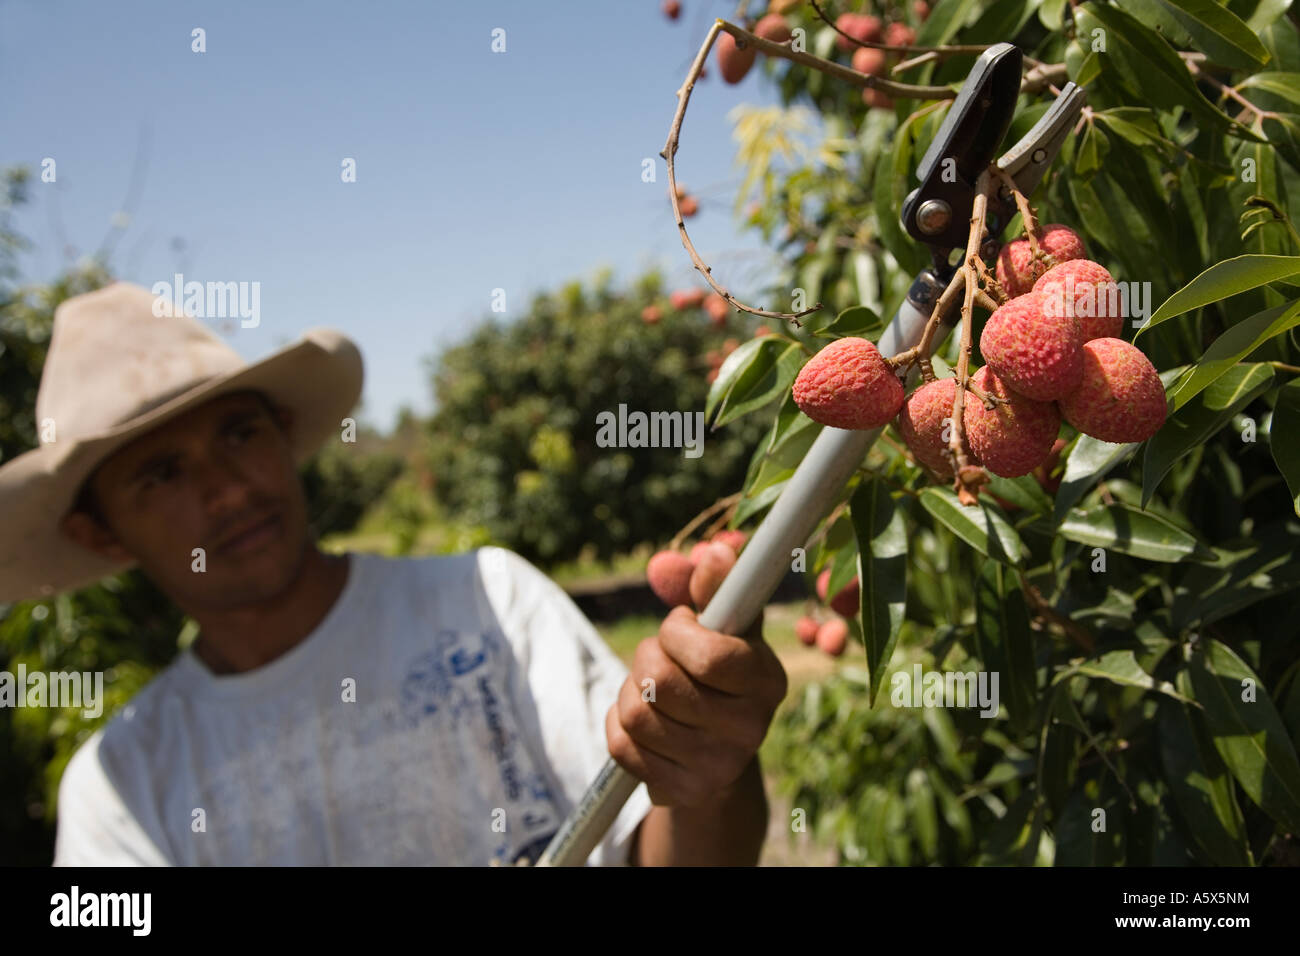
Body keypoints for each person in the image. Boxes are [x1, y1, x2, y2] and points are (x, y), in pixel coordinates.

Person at [0, 282, 786, 866]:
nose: (229, 490)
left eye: (239, 433)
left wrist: (706, 768)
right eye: (162, 475)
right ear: (98, 534)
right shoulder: (123, 788)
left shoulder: (489, 603)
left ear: (281, 433)